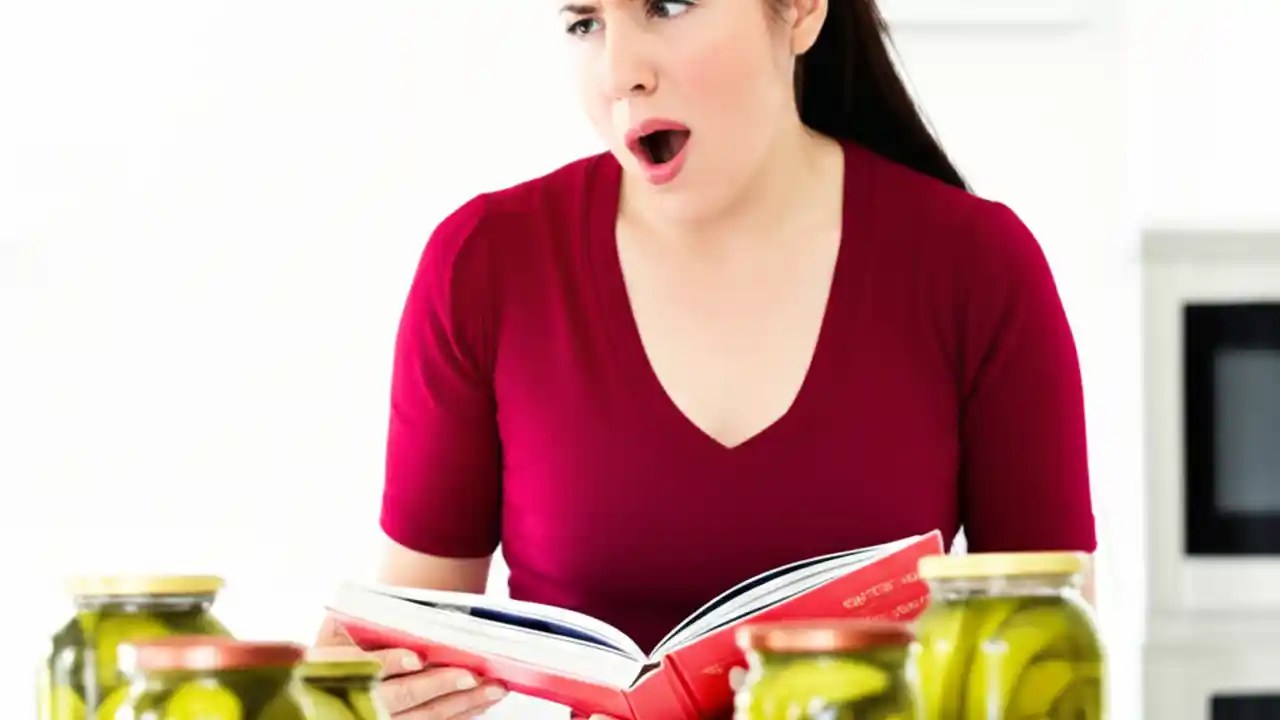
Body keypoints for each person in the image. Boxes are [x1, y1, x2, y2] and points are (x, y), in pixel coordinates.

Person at [315, 0, 1098, 717]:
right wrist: (357, 697)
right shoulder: (484, 266)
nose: (620, 72)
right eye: (585, 22)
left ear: (798, 12)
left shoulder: (979, 267)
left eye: (669, 5)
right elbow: (402, 651)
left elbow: (1050, 670)